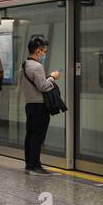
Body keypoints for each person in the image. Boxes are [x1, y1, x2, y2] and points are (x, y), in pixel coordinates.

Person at [20, 35, 60, 174]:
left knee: (30, 134)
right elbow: (43, 86)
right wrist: (53, 77)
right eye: (44, 51)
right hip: (39, 105)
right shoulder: (37, 66)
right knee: (38, 135)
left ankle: (29, 163)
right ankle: (36, 164)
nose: (44, 54)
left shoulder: (25, 64)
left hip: (30, 105)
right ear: (38, 51)